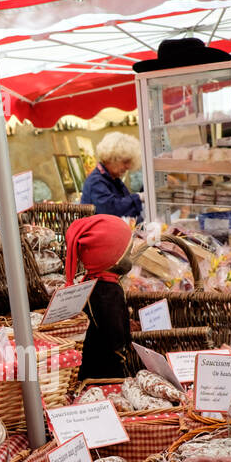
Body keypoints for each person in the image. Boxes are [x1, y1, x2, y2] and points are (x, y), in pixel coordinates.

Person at [66, 215, 135, 380]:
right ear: (111, 257)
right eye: (128, 251)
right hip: (106, 373)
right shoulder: (109, 292)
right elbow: (116, 337)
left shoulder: (90, 284)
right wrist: (125, 347)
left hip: (89, 370)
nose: (131, 255)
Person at [80, 132, 143, 221]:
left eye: (129, 162)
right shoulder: (96, 182)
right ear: (111, 158)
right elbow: (112, 210)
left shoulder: (113, 179)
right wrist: (138, 197)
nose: (128, 167)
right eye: (125, 162)